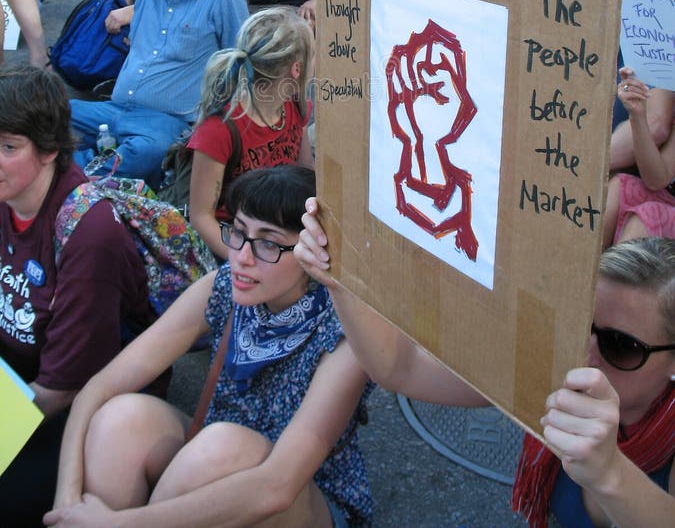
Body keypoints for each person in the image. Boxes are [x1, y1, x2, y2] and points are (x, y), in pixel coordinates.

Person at [296, 213, 675, 527]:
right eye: (579, 328)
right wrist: (339, 279)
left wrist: (609, 472)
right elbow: (400, 368)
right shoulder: (546, 371)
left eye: (622, 346)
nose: (587, 355)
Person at [44, 166, 372, 528]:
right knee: (118, 420)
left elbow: (277, 487)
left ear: (311, 252)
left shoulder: (345, 333)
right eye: (239, 233)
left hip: (302, 500)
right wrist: (67, 498)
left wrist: (118, 524)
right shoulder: (223, 287)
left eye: (267, 242)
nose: (242, 257)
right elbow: (99, 388)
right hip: (207, 459)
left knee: (220, 446)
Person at [0, 65, 155, 527]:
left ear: (49, 150)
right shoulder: (10, 192)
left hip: (70, 403)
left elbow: (61, 387)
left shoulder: (86, 232)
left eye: (8, 148)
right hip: (17, 378)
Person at [69, 0, 247, 188]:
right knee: (49, 115)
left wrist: (213, 124)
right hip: (116, 107)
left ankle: (74, 178)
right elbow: (139, 44)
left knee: (147, 151)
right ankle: (85, 172)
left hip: (168, 121)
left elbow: (238, 64)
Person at [188, 7, 314, 254]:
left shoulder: (294, 107)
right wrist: (244, 261)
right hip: (237, 240)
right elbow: (201, 217)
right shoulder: (219, 130)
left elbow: (306, 173)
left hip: (281, 226)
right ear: (297, 70)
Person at [604, 67, 675, 246]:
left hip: (660, 211)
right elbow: (658, 178)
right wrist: (637, 114)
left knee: (645, 221)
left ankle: (609, 275)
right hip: (667, 196)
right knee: (618, 189)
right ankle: (569, 269)